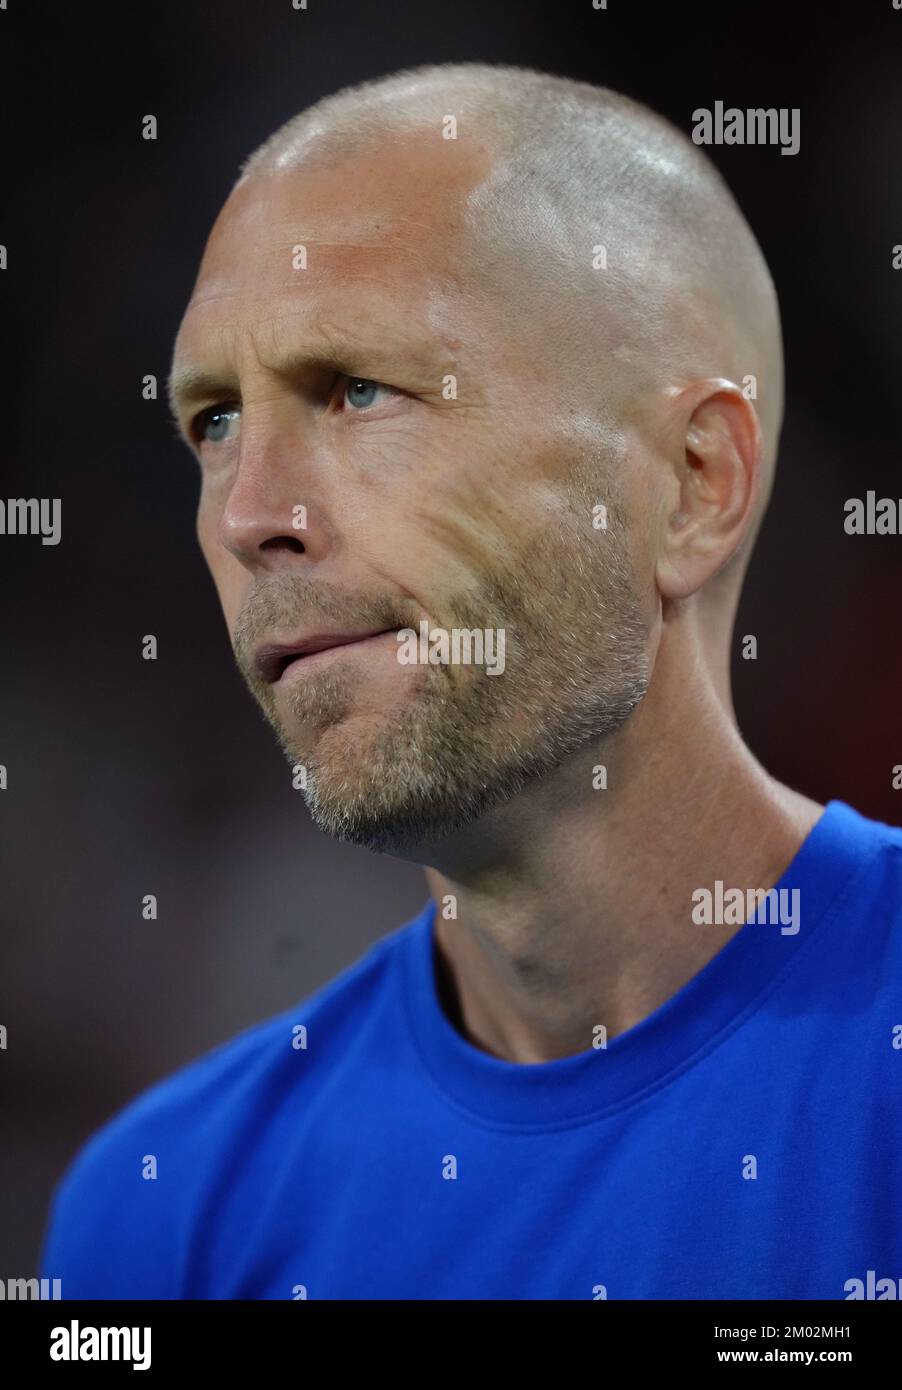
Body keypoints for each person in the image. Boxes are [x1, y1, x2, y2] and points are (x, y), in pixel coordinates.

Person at [41, 63, 902, 1300]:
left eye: (358, 391)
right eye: (214, 421)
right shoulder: (163, 1218)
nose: (249, 516)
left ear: (690, 484)